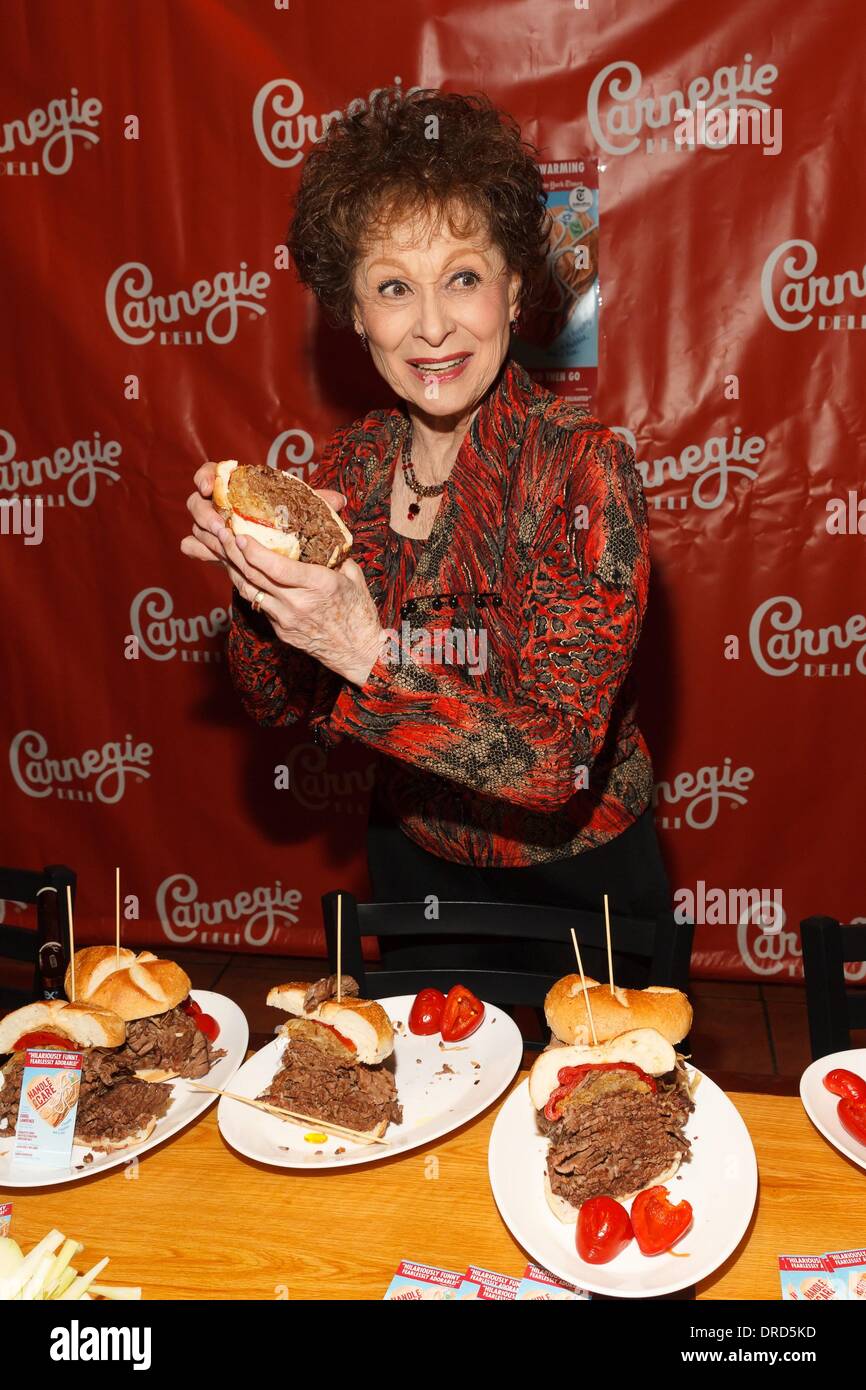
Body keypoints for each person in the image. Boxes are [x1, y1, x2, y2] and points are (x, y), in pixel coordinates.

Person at [182, 88, 671, 986]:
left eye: (463, 278)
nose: (434, 326)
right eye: (395, 288)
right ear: (355, 313)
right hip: (416, 873)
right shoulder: (350, 471)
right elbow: (274, 704)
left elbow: (554, 762)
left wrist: (361, 650)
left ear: (516, 288)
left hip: (584, 880)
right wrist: (259, 587)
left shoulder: (584, 469)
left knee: (604, 1122)